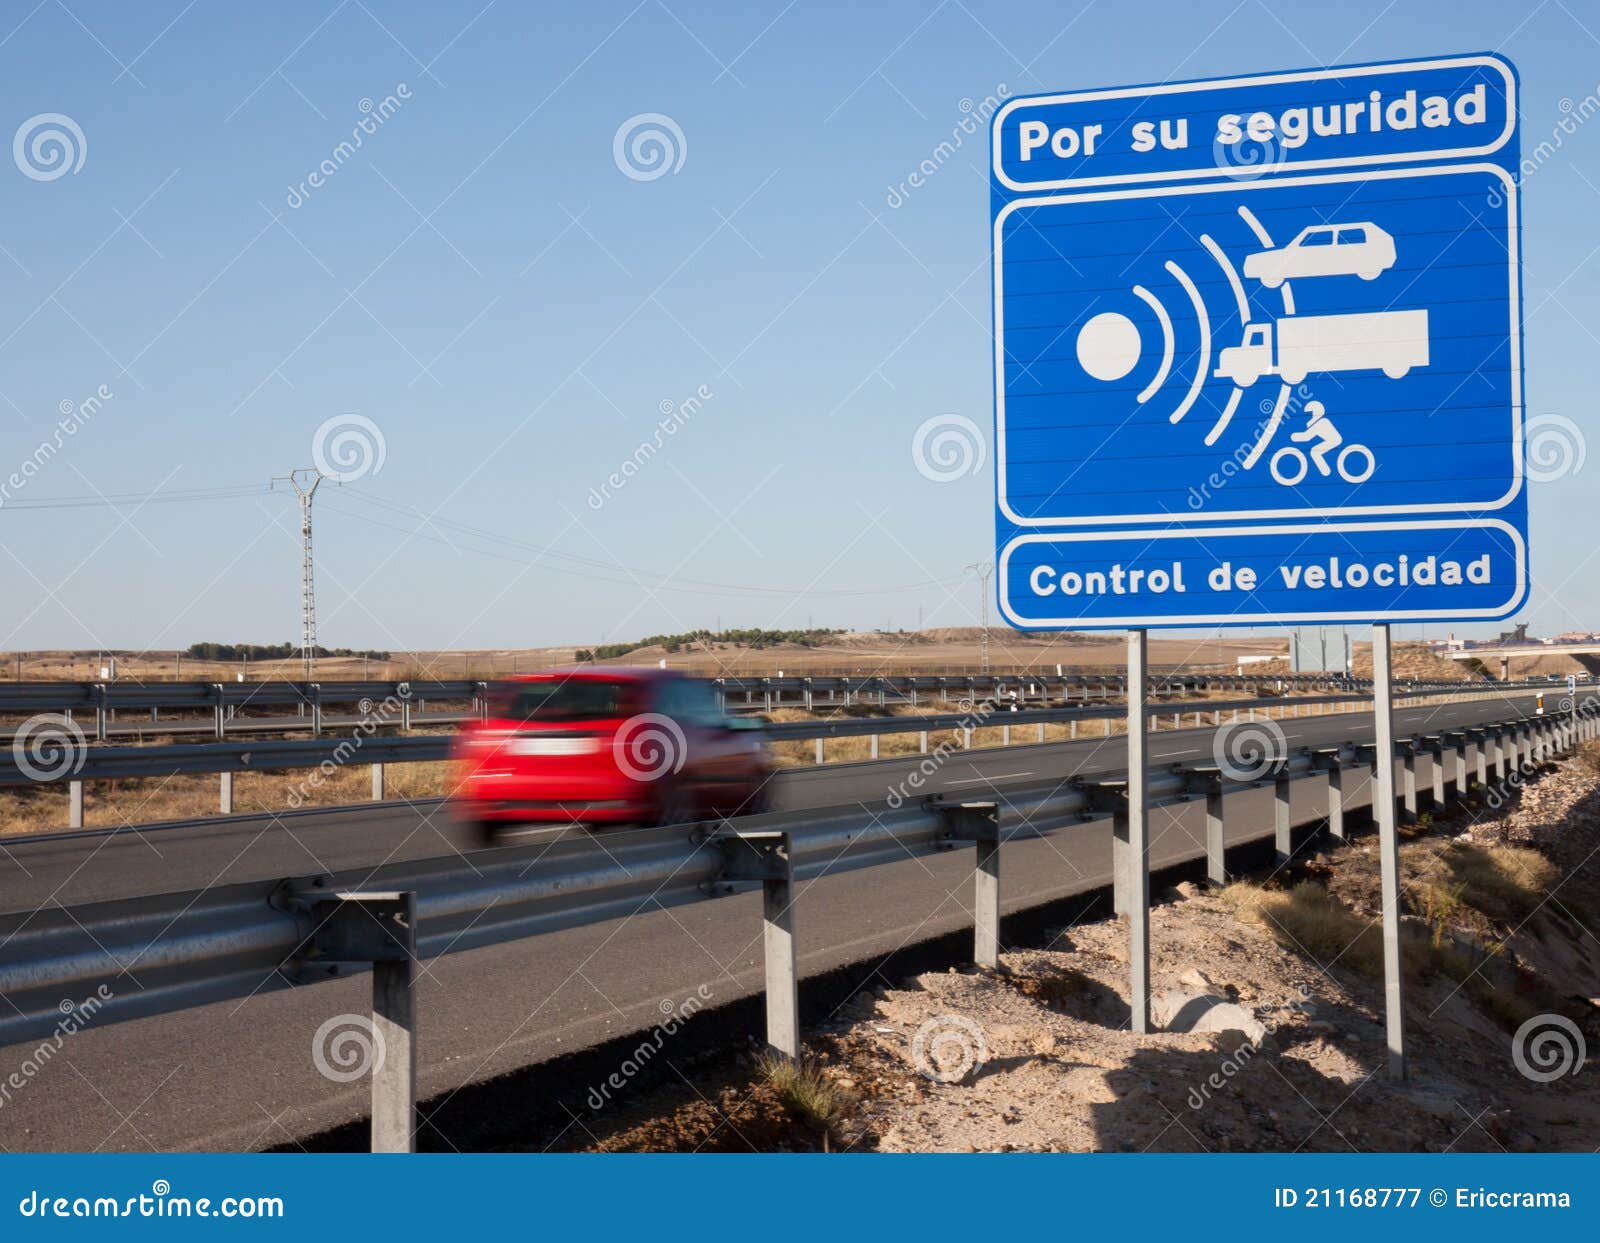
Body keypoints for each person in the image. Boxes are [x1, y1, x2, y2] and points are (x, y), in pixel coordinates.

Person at [1289, 399, 1341, 476]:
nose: (1309, 417)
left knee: (1314, 451)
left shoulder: (1321, 423)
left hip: (1334, 441)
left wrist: (1293, 436)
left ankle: (1326, 472)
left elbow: (1307, 437)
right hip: (1332, 440)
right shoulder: (1320, 422)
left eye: (1311, 414)